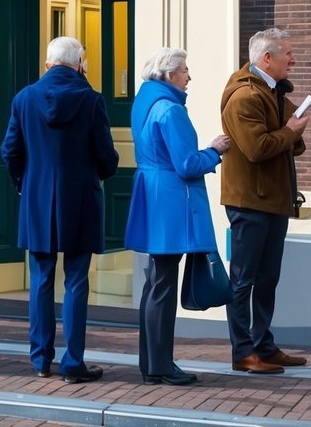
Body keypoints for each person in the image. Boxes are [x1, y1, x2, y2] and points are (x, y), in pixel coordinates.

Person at [1, 36, 118, 383]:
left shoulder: (24, 98)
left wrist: (25, 182)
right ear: (79, 63)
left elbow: (10, 150)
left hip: (37, 199)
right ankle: (73, 362)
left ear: (48, 63)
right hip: (80, 197)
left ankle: (40, 359)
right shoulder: (91, 98)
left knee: (40, 280)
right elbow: (107, 156)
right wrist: (97, 173)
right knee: (77, 281)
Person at [126, 47, 230, 386]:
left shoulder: (144, 103)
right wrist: (215, 150)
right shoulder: (171, 111)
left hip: (152, 198)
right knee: (163, 287)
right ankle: (160, 365)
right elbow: (187, 165)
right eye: (184, 70)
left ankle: (153, 363)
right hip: (170, 203)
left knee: (155, 284)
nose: (189, 77)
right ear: (169, 74)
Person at [220, 28, 311, 374]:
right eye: (287, 53)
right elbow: (258, 149)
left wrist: (291, 132)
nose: (294, 59)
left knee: (268, 277)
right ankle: (243, 352)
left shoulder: (273, 92)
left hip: (274, 200)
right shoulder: (245, 97)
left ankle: (264, 345)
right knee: (244, 279)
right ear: (266, 58)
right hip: (250, 201)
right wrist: (290, 132)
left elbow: (292, 141)